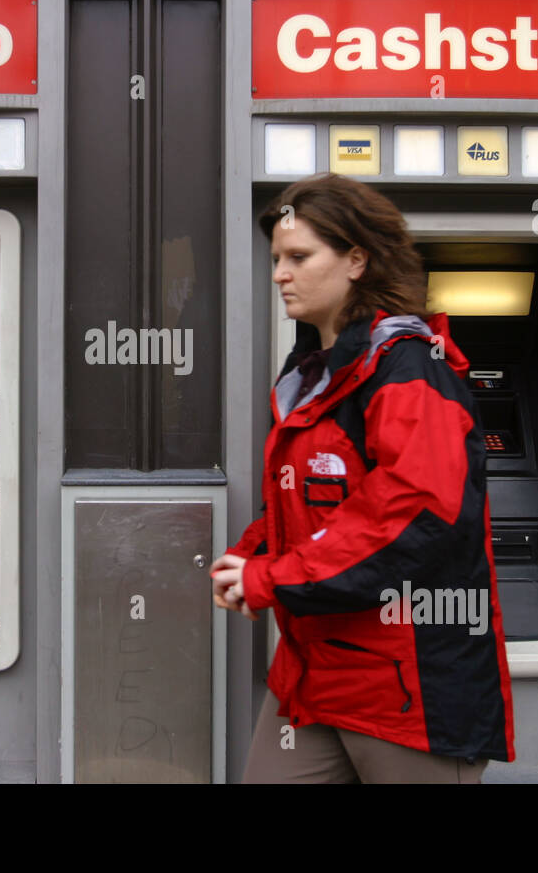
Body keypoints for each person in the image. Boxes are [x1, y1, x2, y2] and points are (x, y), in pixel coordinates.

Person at [210, 172, 515, 783]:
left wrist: (273, 576)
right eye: (276, 258)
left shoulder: (409, 368)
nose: (279, 274)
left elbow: (412, 515)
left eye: (299, 257)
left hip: (408, 689)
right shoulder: (313, 371)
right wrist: (250, 557)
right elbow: (311, 501)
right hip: (313, 673)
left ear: (356, 259)